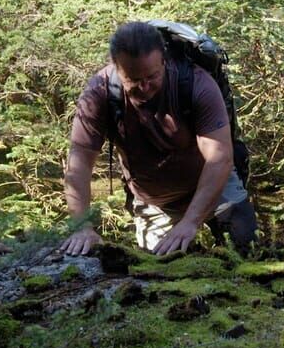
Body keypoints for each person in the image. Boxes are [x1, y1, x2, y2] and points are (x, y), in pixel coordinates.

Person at [61, 21, 257, 256]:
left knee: (245, 243)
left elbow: (220, 158)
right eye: (133, 80)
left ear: (164, 61)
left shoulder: (196, 83)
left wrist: (190, 222)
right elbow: (79, 163)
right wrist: (82, 226)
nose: (144, 87)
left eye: (152, 76)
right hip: (153, 199)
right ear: (116, 68)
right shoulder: (99, 93)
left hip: (212, 184)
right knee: (158, 276)